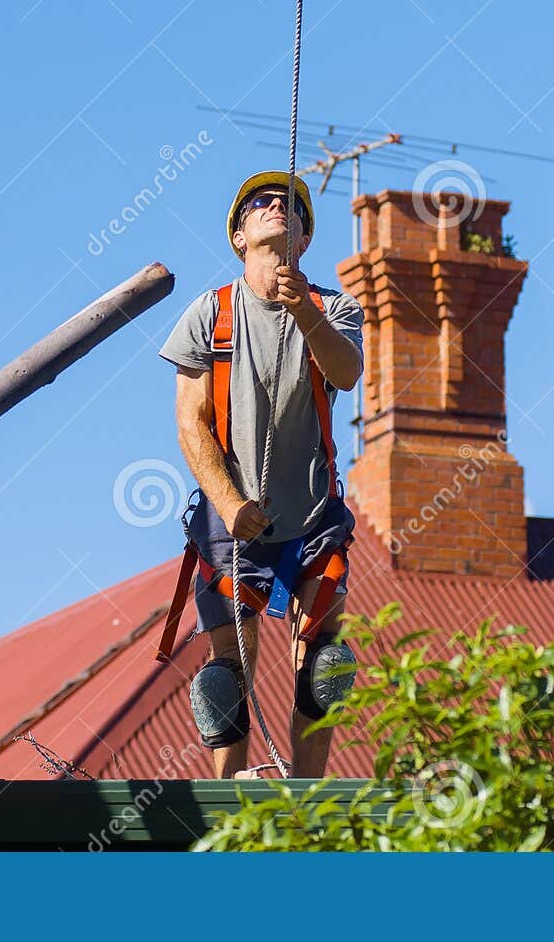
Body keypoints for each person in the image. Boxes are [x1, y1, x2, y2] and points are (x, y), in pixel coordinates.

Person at [157, 171, 365, 778]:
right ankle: (229, 800)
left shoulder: (334, 308)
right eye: (262, 203)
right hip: (232, 524)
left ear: (302, 241)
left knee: (325, 660)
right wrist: (227, 502)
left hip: (312, 519)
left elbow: (346, 372)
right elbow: (191, 423)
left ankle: (307, 795)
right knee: (228, 669)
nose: (279, 206)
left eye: (292, 206)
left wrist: (307, 316)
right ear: (240, 237)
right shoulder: (210, 314)